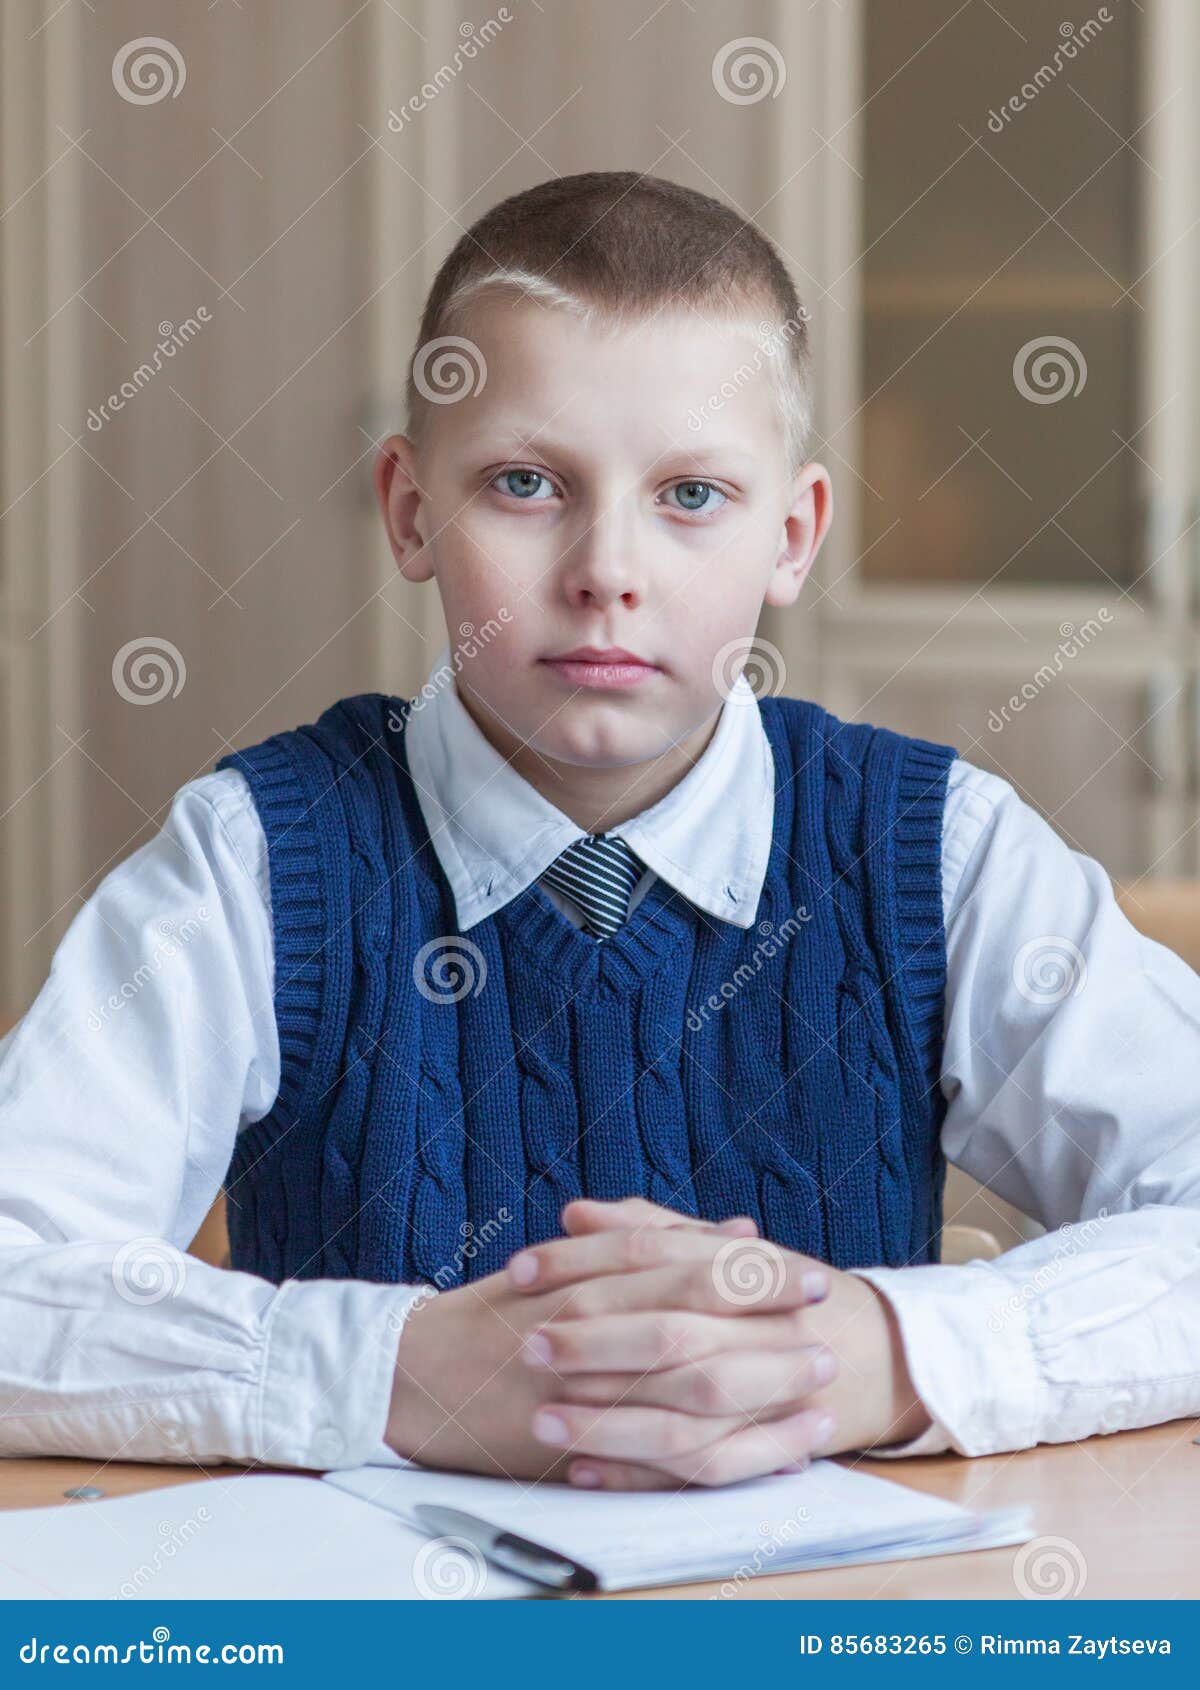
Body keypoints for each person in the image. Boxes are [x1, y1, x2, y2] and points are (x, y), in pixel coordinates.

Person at [2, 172, 1198, 1491]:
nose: (606, 570)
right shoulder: (257, 860)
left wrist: (877, 1351)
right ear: (411, 510)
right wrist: (391, 1371)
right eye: (526, 483)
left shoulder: (937, 853)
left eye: (691, 496)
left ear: (792, 535)